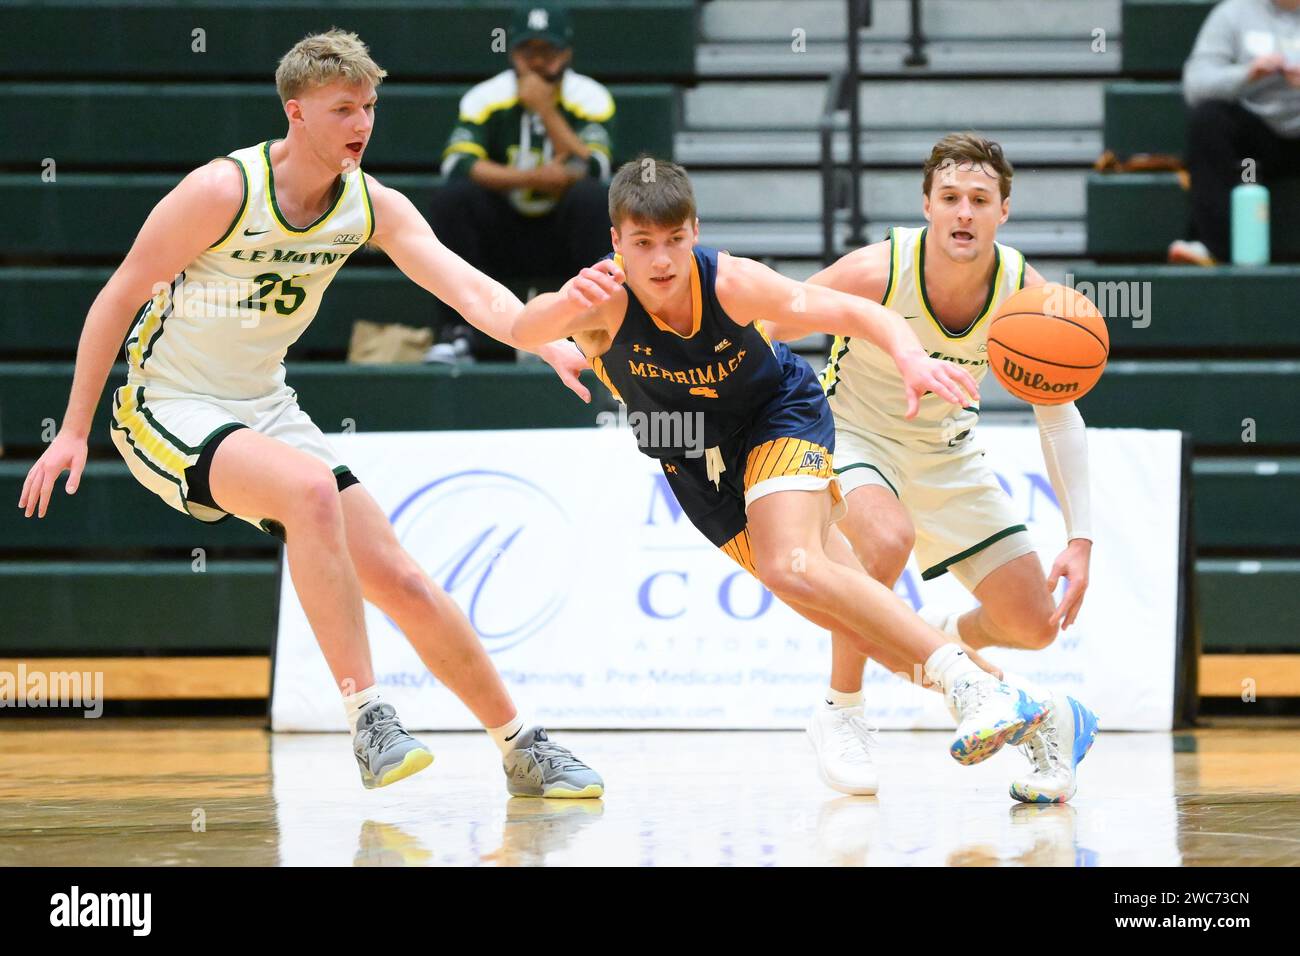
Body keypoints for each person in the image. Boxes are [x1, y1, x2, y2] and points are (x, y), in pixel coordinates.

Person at [18, 29, 602, 799]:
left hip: (263, 405)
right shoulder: (222, 191)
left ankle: (520, 745)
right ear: (295, 112)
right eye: (342, 109)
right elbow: (117, 296)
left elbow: (472, 292)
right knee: (310, 492)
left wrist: (545, 337)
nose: (361, 123)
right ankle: (368, 717)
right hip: (169, 405)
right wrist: (73, 428)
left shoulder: (370, 205)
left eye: (369, 107)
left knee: (401, 578)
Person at [512, 157, 1055, 778]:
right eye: (643, 244)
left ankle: (957, 686)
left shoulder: (732, 282)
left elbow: (860, 314)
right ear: (616, 244)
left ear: (695, 230)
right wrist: (553, 328)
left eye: (675, 240)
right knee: (850, 614)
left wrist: (910, 357)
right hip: (697, 462)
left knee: (790, 562)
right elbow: (519, 327)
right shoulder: (598, 302)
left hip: (779, 415)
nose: (661, 261)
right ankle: (1033, 709)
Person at [769, 133, 1099, 804]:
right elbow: (774, 317)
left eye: (980, 199)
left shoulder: (1022, 293)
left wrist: (1080, 537)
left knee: (1035, 623)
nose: (964, 213)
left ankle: (940, 643)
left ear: (1003, 211)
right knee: (883, 541)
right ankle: (843, 708)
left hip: (947, 454)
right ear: (927, 205)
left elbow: (1058, 415)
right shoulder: (877, 268)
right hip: (855, 434)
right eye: (950, 198)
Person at [432, 1, 615, 358]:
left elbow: (594, 168)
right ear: (513, 53)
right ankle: (456, 332)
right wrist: (536, 177)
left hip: (563, 235)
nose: (537, 61)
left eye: (548, 51)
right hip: (504, 233)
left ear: (566, 54)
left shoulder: (590, 97)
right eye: (528, 50)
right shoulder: (486, 97)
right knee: (452, 200)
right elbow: (457, 165)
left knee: (594, 199)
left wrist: (545, 109)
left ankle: (597, 329)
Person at [1170, 0, 1300, 265]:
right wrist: (1247, 74)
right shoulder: (1233, 13)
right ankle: (1211, 246)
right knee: (1209, 119)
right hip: (1257, 145)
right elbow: (1196, 85)